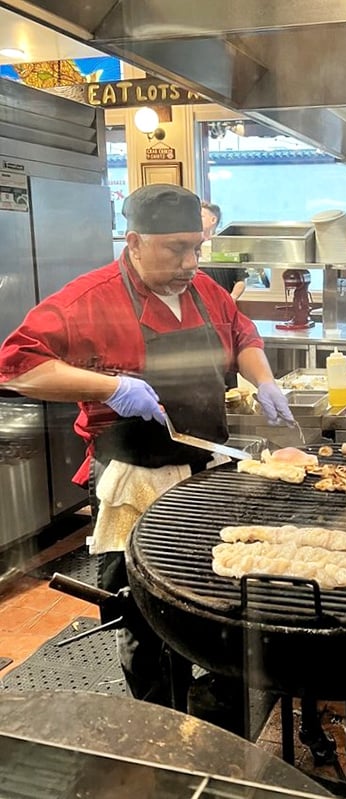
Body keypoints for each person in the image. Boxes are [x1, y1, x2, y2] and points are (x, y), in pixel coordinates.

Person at [0, 184, 295, 713]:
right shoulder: (89, 299)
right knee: (138, 606)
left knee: (215, 587)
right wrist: (110, 388)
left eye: (196, 247)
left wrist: (263, 380)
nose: (190, 262)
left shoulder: (208, 292)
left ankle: (218, 704)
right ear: (134, 241)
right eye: (175, 249)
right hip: (132, 478)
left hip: (206, 469)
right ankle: (155, 713)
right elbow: (17, 365)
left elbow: (244, 335)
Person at [201, 200, 248, 302]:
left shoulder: (228, 245)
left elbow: (241, 280)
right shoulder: (190, 245)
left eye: (201, 216)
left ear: (213, 219)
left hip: (223, 304)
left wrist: (232, 298)